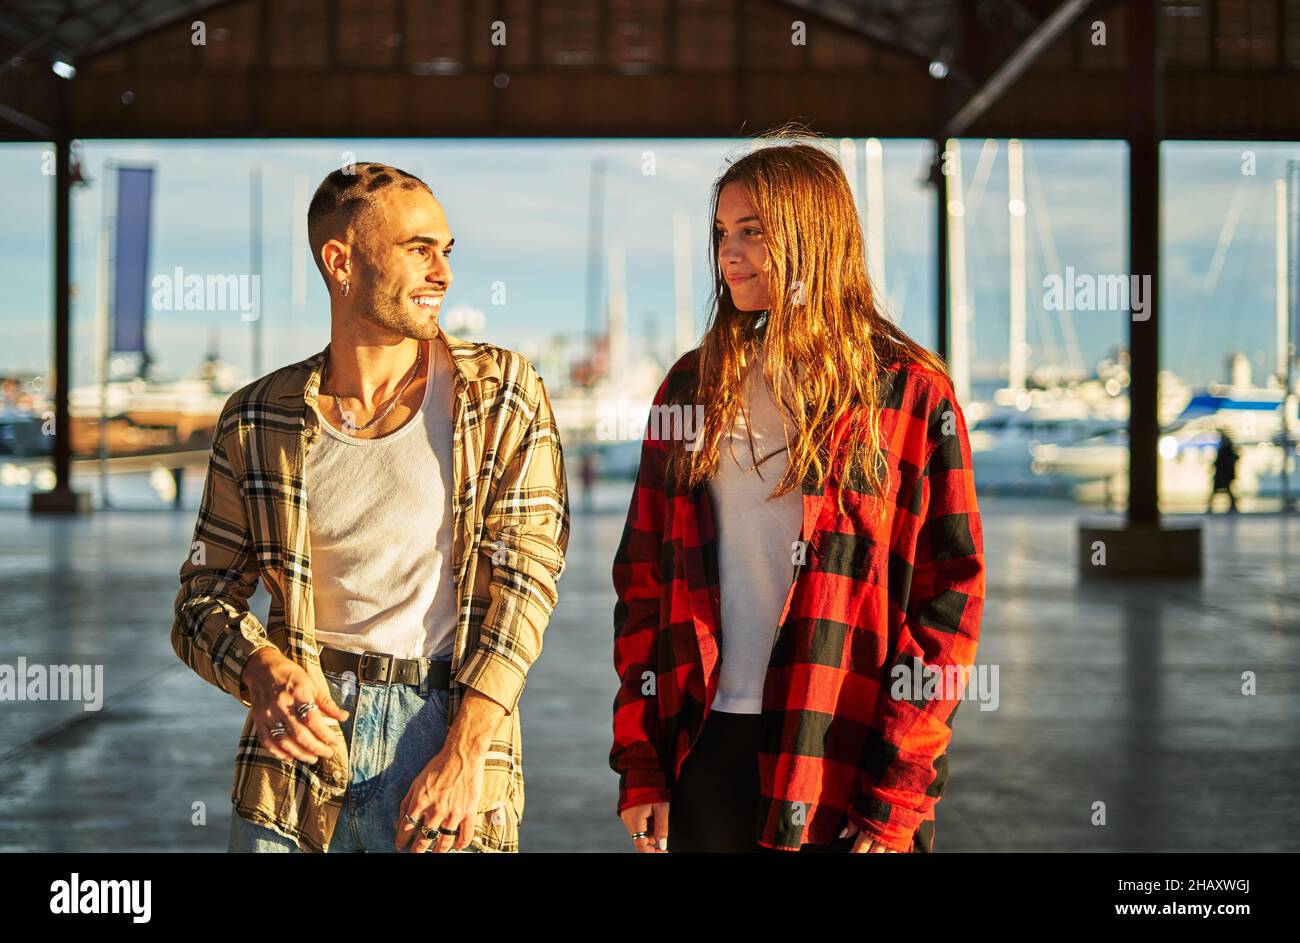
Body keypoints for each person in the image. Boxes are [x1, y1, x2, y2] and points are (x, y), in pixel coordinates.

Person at [171, 161, 569, 853]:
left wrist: (468, 750)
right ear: (341, 261)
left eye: (447, 250)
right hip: (293, 764)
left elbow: (527, 583)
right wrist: (259, 670)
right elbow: (199, 601)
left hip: (443, 744)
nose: (442, 271)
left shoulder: (500, 393)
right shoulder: (258, 418)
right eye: (419, 249)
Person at [610, 131, 985, 854]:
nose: (728, 252)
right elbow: (643, 584)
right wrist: (643, 765)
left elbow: (948, 605)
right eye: (723, 232)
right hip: (704, 747)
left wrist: (899, 792)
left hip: (840, 755)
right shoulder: (693, 389)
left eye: (752, 231)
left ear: (813, 235)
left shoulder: (908, 396)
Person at [1210, 429, 1239, 513]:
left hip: (1224, 474)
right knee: (1226, 491)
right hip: (1225, 474)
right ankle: (1233, 506)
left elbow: (1222, 461)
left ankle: (1233, 506)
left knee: (1219, 490)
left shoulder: (1225, 448)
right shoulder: (1226, 447)